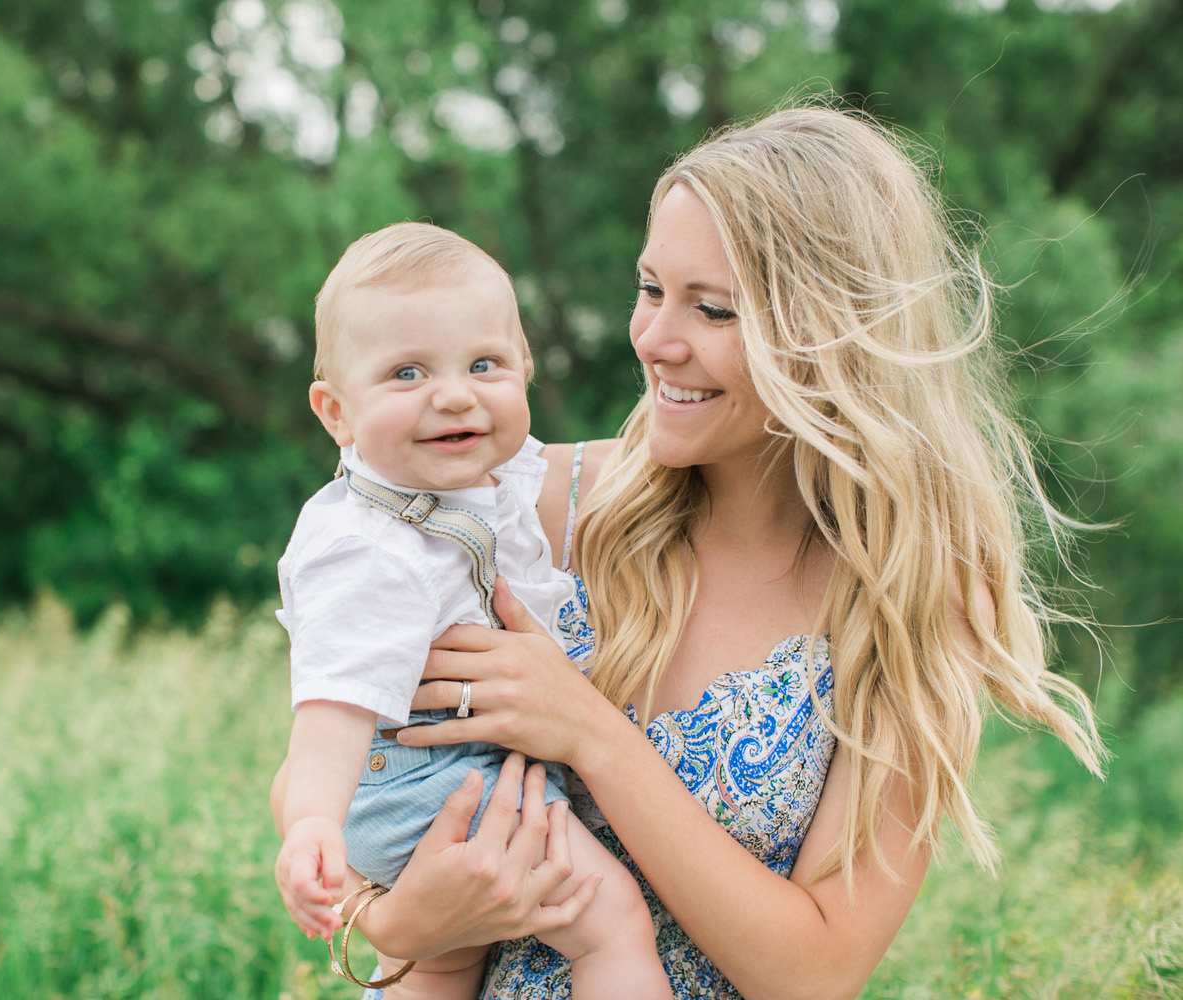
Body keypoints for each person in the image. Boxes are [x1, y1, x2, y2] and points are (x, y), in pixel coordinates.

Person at [311, 105, 1107, 999]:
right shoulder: (526, 509)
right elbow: (352, 770)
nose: (655, 340)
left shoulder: (917, 594)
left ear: (829, 336)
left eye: (713, 308)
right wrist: (401, 924)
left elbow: (817, 971)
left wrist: (591, 735)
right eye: (651, 289)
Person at [273, 222, 670, 999]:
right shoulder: (368, 547)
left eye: (482, 363)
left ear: (523, 368)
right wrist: (314, 824)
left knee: (447, 960)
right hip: (430, 778)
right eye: (406, 372)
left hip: (436, 772)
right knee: (610, 920)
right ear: (336, 413)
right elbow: (332, 701)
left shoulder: (489, 475)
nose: (453, 393)